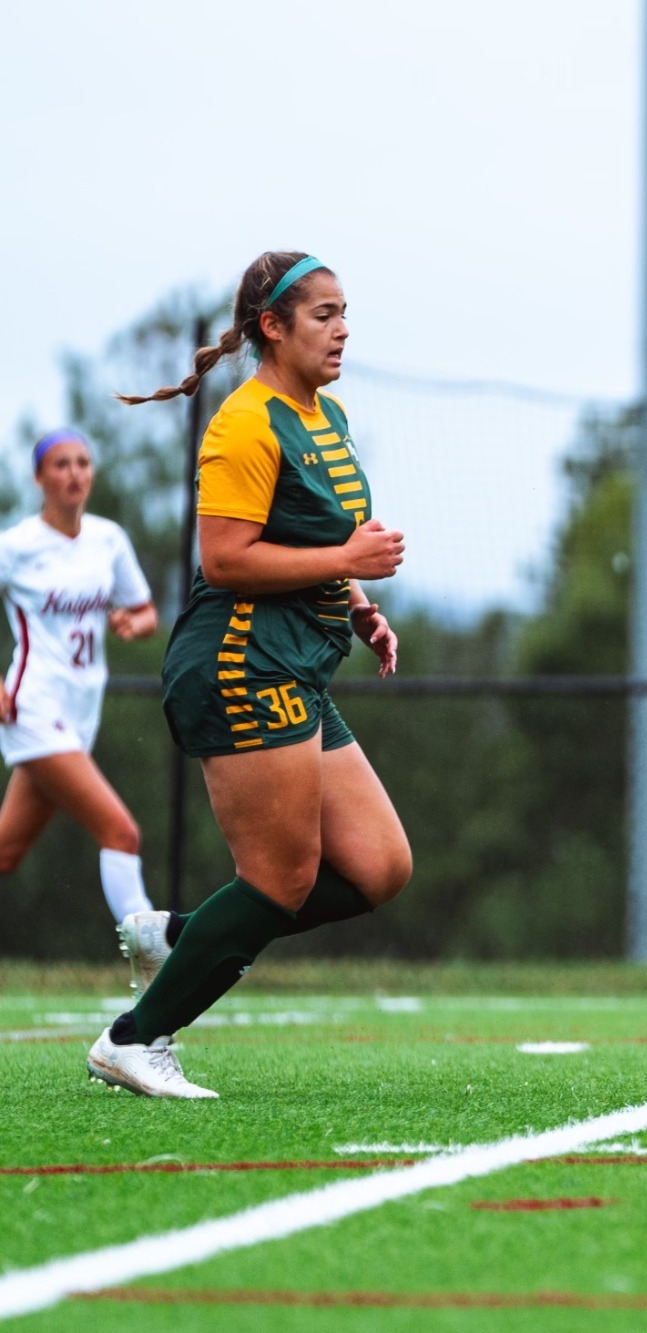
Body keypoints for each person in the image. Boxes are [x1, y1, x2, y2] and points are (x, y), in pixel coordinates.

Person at [85, 251, 411, 1099]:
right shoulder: (244, 423)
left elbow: (315, 542)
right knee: (280, 879)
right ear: (273, 325)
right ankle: (133, 1039)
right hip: (240, 661)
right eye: (324, 315)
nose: (342, 330)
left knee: (380, 865)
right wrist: (347, 560)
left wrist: (357, 604)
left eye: (345, 313)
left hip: (297, 662)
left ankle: (182, 936)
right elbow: (225, 559)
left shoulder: (326, 414)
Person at [0, 429, 159, 938]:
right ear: (39, 477)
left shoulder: (107, 539)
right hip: (33, 707)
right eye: (62, 464)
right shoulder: (17, 545)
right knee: (121, 831)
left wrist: (135, 623)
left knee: (6, 852)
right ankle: (158, 961)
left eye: (83, 463)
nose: (75, 473)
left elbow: (145, 611)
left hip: (81, 711)